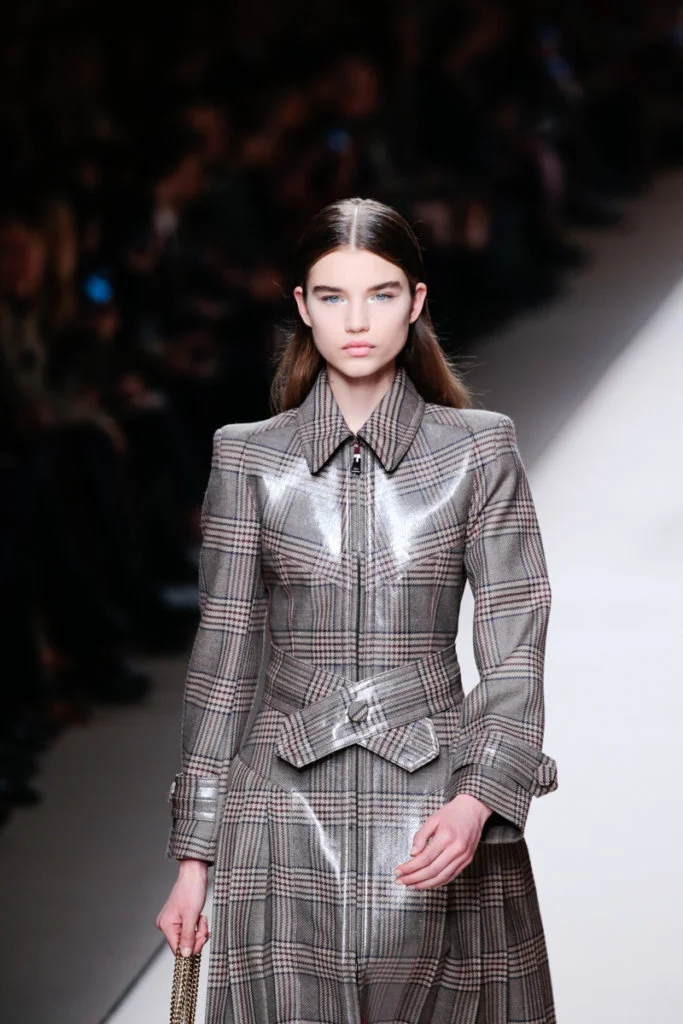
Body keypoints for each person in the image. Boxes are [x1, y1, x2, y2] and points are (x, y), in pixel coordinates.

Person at [156, 196, 559, 1024]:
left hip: (437, 805)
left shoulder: (479, 449)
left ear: (415, 303)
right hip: (278, 810)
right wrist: (194, 859)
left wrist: (480, 796)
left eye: (380, 294)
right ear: (302, 308)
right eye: (332, 296)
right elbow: (222, 664)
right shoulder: (247, 458)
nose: (356, 320)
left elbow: (514, 641)